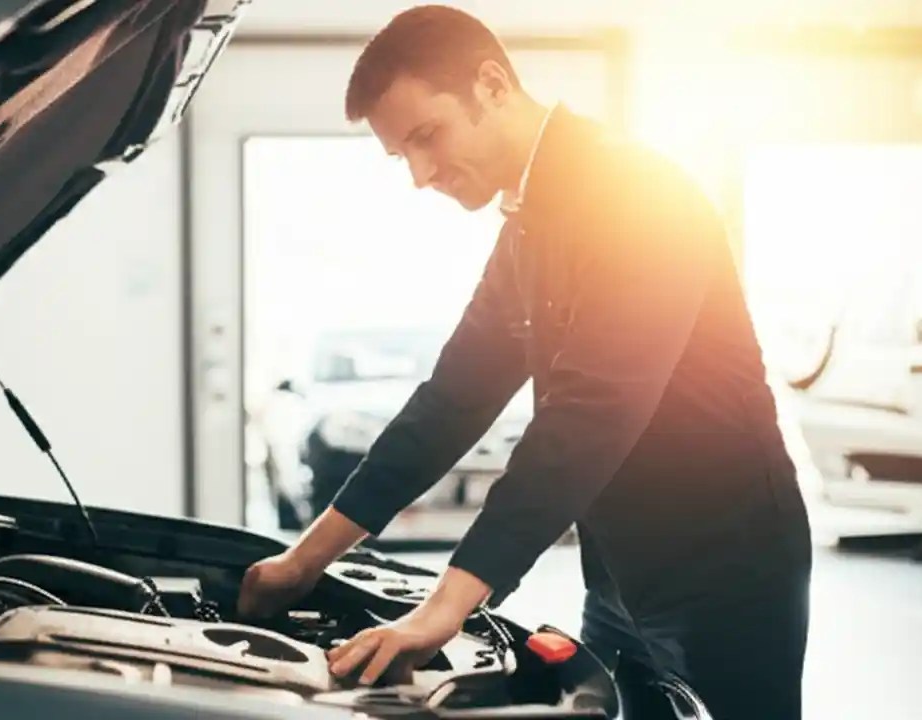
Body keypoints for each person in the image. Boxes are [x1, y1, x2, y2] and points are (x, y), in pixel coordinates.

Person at [237, 6, 812, 718]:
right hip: (619, 572)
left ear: (492, 85)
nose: (420, 174)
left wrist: (444, 606)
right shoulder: (529, 225)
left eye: (427, 136)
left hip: (724, 565)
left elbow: (590, 414)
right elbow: (451, 401)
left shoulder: (640, 194)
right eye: (400, 156)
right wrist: (304, 559)